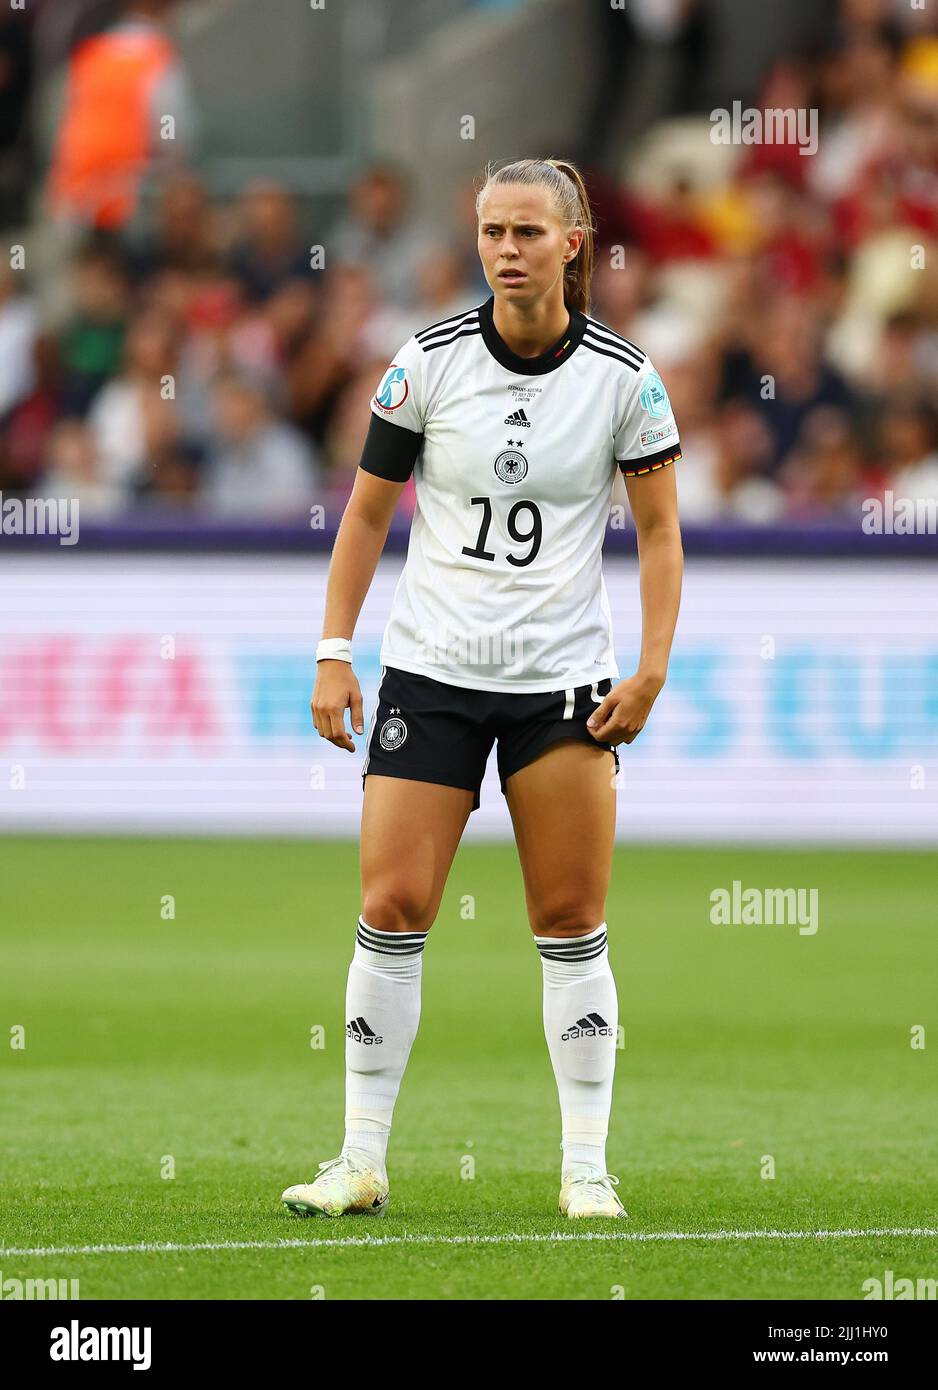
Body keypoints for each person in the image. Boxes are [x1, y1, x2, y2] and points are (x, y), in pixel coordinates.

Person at [281, 158, 684, 1222]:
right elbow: (364, 514)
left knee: (567, 919)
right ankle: (360, 1158)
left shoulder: (623, 380)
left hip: (559, 684)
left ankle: (585, 1165)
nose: (503, 249)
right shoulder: (425, 364)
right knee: (390, 904)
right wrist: (334, 647)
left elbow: (658, 535)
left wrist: (649, 668)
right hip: (433, 673)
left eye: (523, 232)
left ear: (571, 243)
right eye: (489, 231)